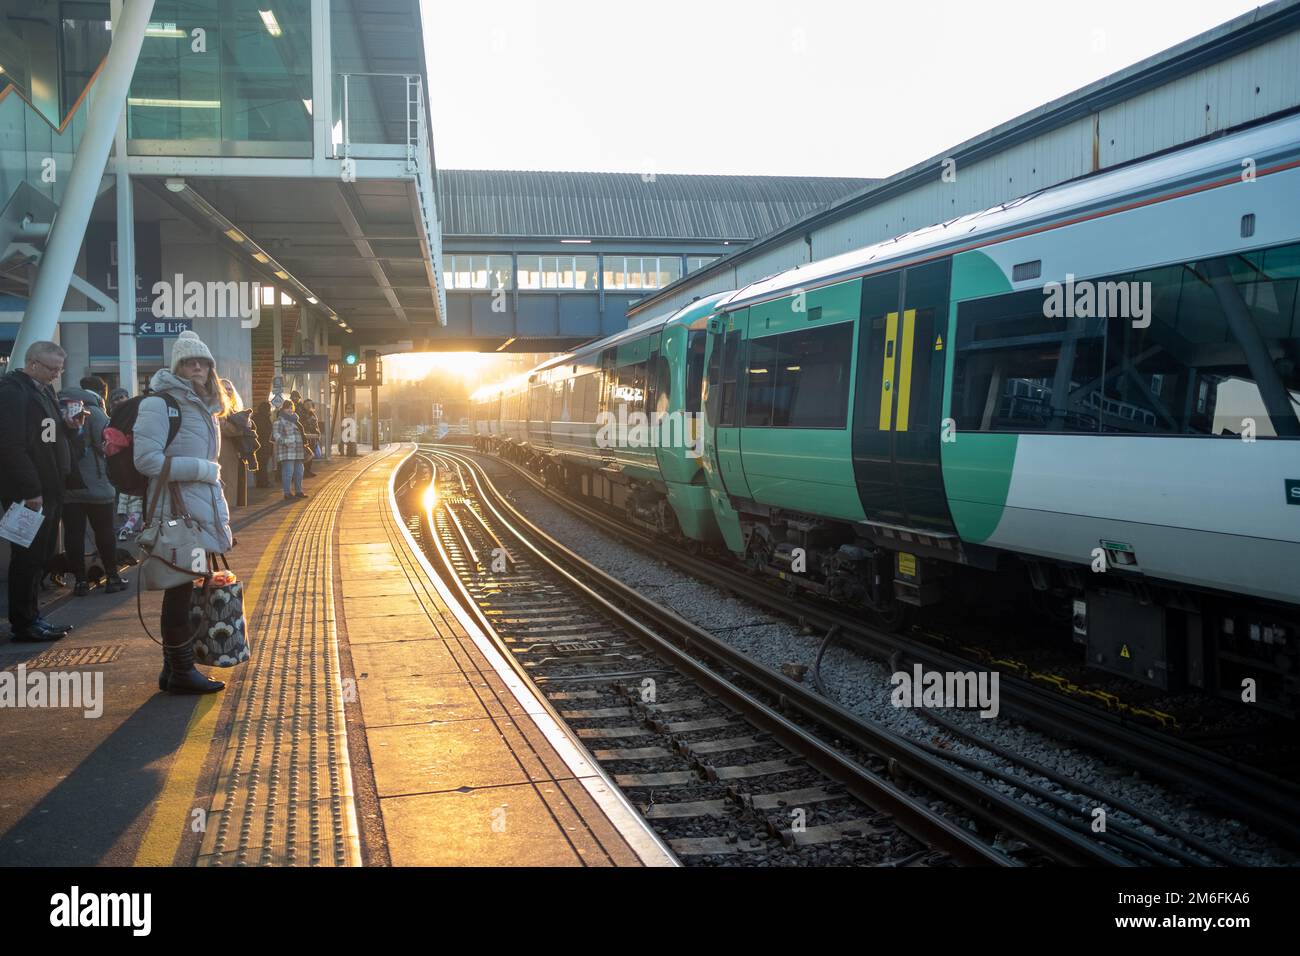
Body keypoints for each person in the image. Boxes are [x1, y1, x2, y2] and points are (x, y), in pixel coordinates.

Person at [134, 330, 233, 694]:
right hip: (176, 513)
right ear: (176, 367)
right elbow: (146, 460)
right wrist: (204, 471)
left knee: (188, 587)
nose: (197, 368)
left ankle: (172, 669)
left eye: (203, 363)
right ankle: (181, 672)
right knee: (178, 589)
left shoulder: (206, 408)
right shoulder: (160, 404)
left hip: (198, 510)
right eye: (189, 362)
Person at [0, 341, 74, 641]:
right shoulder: (13, 393)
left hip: (49, 487)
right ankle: (24, 622)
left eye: (60, 369)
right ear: (33, 364)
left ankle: (33, 617)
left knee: (40, 555)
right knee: (27, 557)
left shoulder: (43, 390)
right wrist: (30, 489)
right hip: (30, 491)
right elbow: (11, 445)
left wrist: (67, 426)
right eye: (52, 369)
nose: (57, 375)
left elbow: (46, 435)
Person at [58, 378, 125, 596]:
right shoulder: (95, 413)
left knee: (73, 534)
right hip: (96, 485)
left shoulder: (59, 408)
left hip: (68, 483)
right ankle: (113, 577)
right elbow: (105, 445)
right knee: (104, 531)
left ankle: (80, 582)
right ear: (101, 394)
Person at [217, 380, 259, 515]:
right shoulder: (217, 409)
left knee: (232, 491)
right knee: (225, 491)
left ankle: (228, 527)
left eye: (230, 389)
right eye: (225, 389)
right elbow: (223, 427)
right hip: (223, 453)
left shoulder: (233, 409)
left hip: (235, 454)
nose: (228, 391)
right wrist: (241, 430)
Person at [273, 399, 308, 500]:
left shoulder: (295, 420)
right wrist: (286, 441)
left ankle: (298, 491)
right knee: (288, 472)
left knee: (299, 471)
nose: (290, 410)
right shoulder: (279, 421)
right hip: (287, 451)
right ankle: (287, 493)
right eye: (287, 408)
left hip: (298, 451)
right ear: (283, 409)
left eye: (291, 408)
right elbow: (276, 435)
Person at [251, 400, 274, 487]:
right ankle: (263, 482)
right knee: (263, 464)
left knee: (260, 464)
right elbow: (266, 432)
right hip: (264, 444)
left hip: (257, 444)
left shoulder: (255, 417)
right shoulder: (265, 418)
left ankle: (260, 482)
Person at [298, 399, 320, 477]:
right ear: (303, 405)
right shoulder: (300, 414)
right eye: (306, 404)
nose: (308, 406)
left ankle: (308, 471)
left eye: (310, 404)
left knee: (311, 455)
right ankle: (303, 472)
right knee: (305, 455)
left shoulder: (313, 414)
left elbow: (316, 426)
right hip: (305, 437)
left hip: (312, 438)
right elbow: (301, 425)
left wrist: (318, 434)